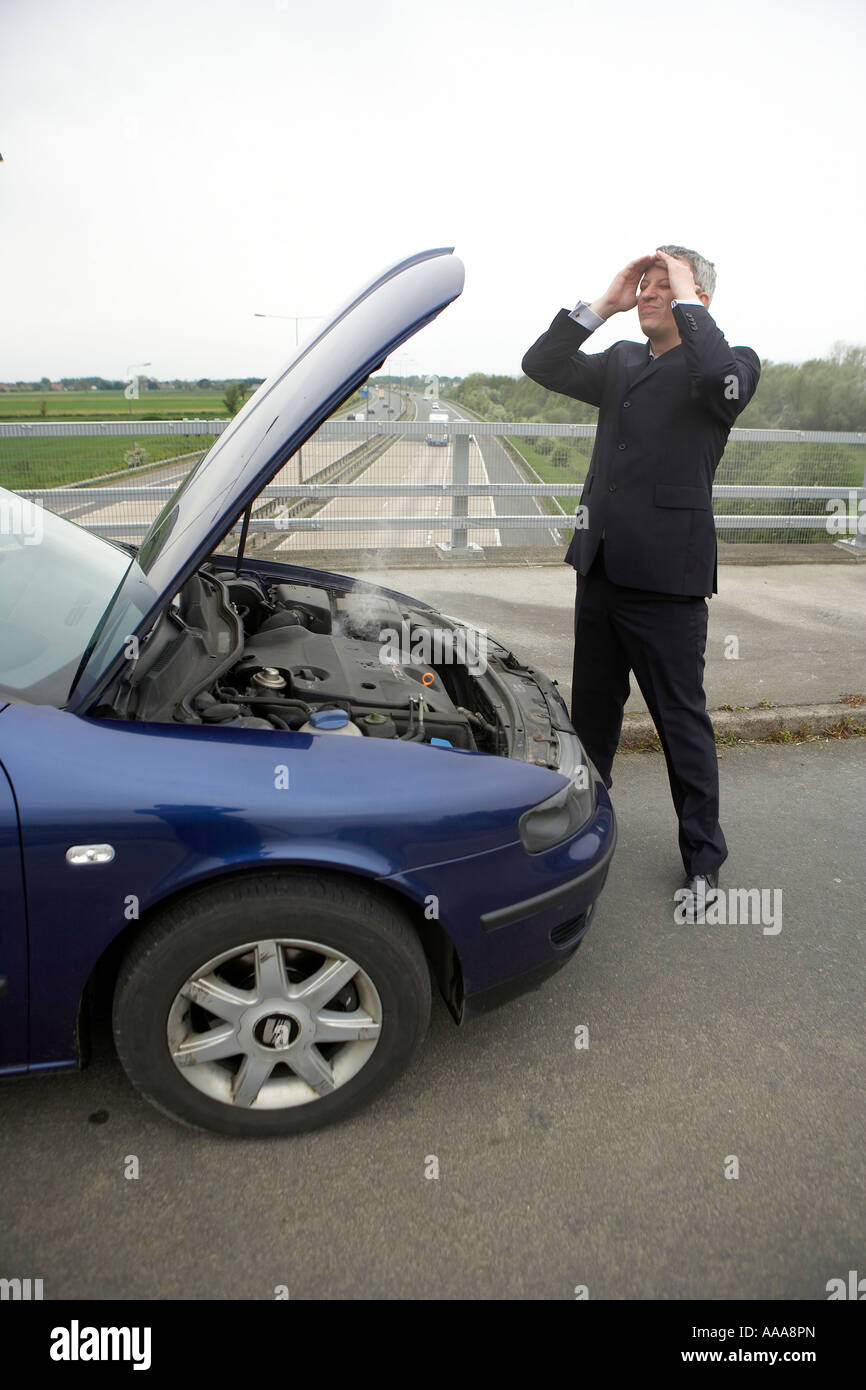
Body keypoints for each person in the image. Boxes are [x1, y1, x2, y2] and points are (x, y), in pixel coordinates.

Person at [522, 247, 760, 915]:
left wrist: (686, 292)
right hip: (600, 571)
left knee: (680, 724)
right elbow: (541, 365)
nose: (649, 294)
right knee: (589, 721)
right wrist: (605, 303)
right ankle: (581, 838)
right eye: (646, 285)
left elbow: (722, 382)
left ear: (695, 299)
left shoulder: (728, 365)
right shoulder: (623, 360)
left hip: (668, 582)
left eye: (664, 286)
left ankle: (704, 863)